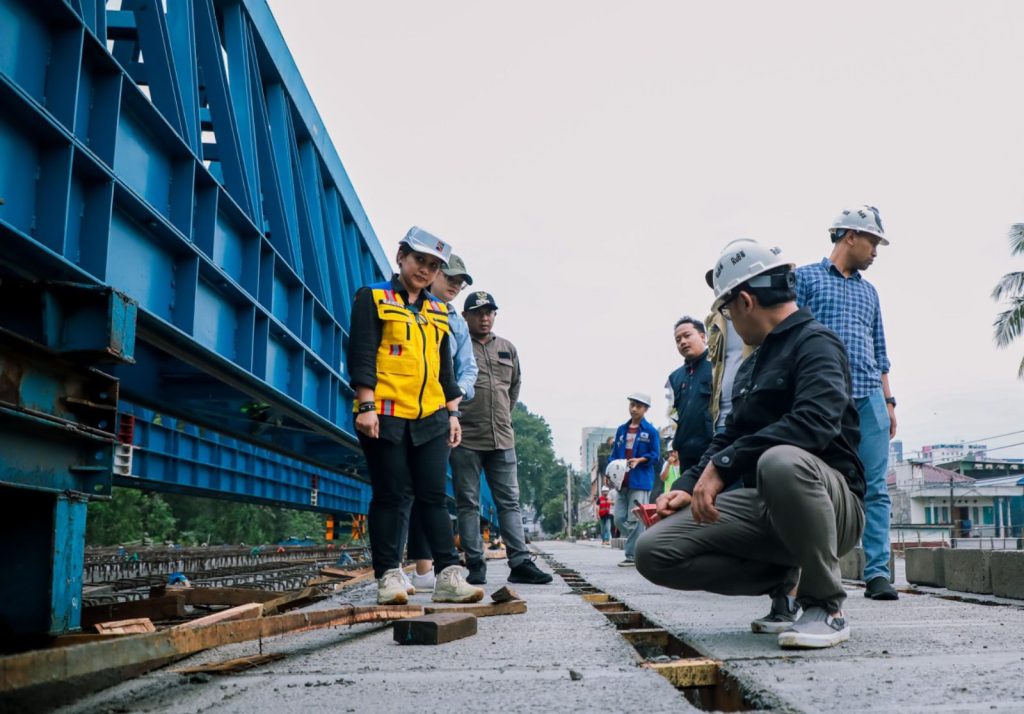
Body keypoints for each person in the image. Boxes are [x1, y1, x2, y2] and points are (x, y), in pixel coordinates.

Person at [636, 239, 865, 650]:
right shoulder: (754, 363)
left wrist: (725, 466)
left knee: (780, 462)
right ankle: (784, 583)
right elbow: (729, 436)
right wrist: (686, 486)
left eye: (724, 310)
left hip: (833, 505)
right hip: (771, 507)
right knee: (654, 551)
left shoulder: (817, 344)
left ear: (744, 301)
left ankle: (825, 605)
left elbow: (814, 424)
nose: (725, 321)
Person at [346, 227, 484, 606]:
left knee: (434, 497)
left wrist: (452, 413)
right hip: (386, 414)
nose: (425, 270)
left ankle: (449, 575)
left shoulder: (438, 311)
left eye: (433, 265)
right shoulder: (372, 297)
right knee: (391, 494)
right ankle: (389, 575)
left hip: (432, 416)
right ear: (401, 257)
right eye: (419, 260)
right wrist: (366, 404)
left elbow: (445, 369)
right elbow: (361, 352)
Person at [795, 205, 898, 602]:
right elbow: (790, 337)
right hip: (823, 397)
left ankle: (877, 575)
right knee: (815, 484)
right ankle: (816, 571)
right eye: (872, 241)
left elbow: (880, 350)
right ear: (850, 236)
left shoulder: (870, 292)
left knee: (876, 488)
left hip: (869, 394)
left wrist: (888, 401)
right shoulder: (804, 278)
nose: (875, 250)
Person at [452, 291, 553, 585]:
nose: (485, 317)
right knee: (467, 503)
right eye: (478, 312)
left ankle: (520, 563)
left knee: (510, 502)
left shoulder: (508, 348)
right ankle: (475, 565)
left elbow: (515, 386)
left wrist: (502, 417)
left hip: (502, 438)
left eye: (490, 312)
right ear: (466, 316)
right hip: (466, 437)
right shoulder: (457, 345)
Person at [404, 254, 479, 593]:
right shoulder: (403, 303)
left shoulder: (455, 321)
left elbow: (467, 369)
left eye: (460, 282)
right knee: (397, 490)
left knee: (429, 490)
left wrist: (454, 400)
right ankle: (402, 570)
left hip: (438, 410)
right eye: (449, 276)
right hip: (401, 405)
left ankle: (426, 570)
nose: (455, 285)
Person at [609, 392, 661, 567]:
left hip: (640, 480)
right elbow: (614, 456)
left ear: (646, 409)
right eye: (632, 405)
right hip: (621, 481)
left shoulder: (651, 432)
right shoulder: (621, 431)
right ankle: (646, 539)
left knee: (635, 519)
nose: (634, 409)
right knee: (618, 518)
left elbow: (655, 455)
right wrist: (610, 473)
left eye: (638, 406)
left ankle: (632, 555)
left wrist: (640, 460)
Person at [665, 317, 713, 483]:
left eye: (687, 336)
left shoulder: (717, 365)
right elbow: (672, 415)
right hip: (686, 452)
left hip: (714, 447)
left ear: (702, 337)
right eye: (678, 340)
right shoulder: (674, 378)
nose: (683, 342)